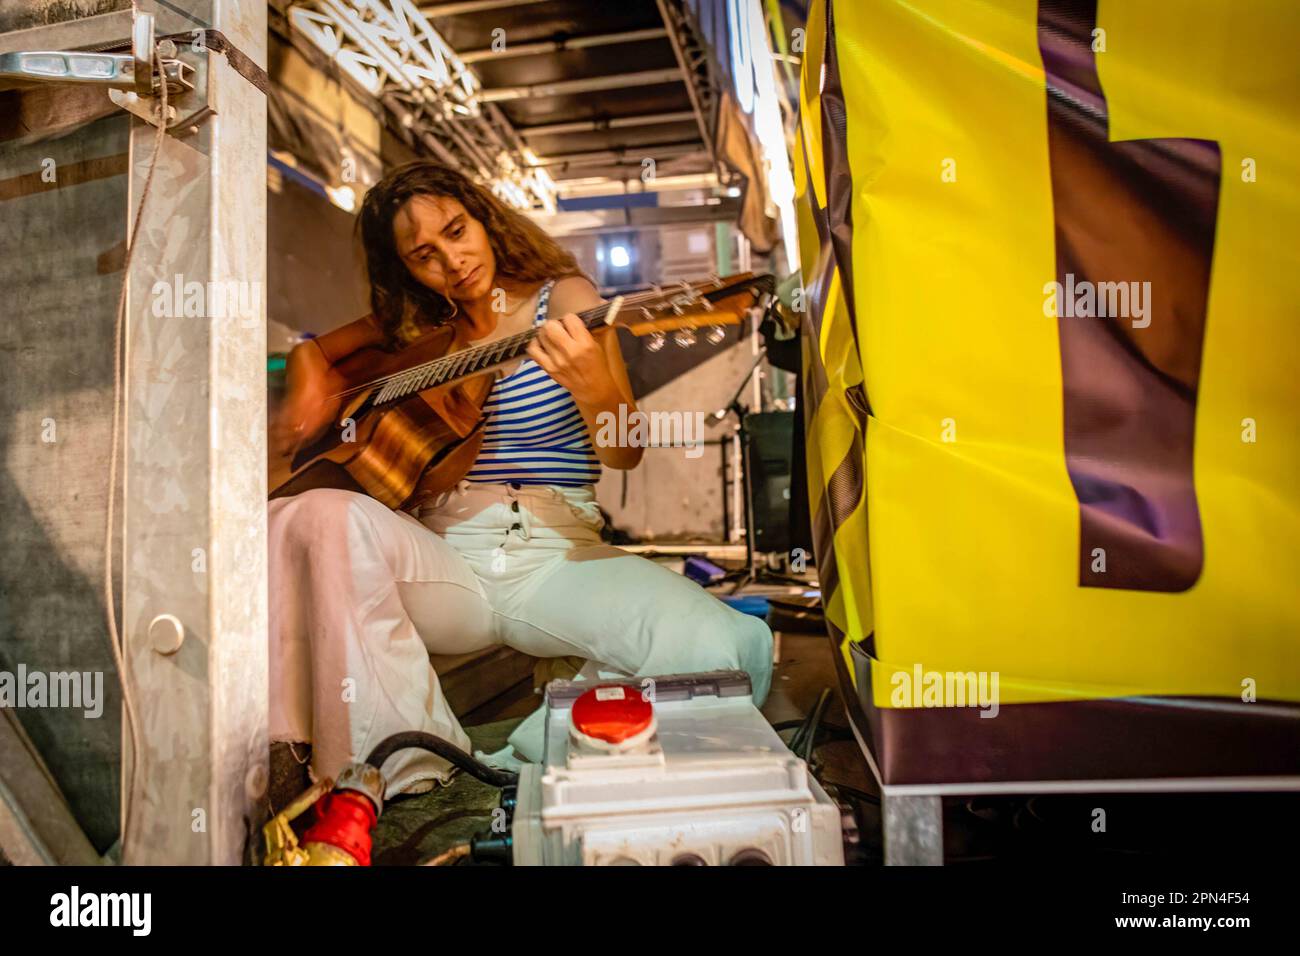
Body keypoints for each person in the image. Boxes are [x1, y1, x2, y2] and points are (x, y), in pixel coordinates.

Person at [268, 161, 774, 797]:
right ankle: (399, 771)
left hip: (553, 555)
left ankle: (519, 757)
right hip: (443, 557)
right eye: (423, 255)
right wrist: (307, 375)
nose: (451, 261)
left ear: (483, 216)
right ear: (405, 269)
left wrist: (594, 391)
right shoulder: (419, 332)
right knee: (306, 514)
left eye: (457, 231)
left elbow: (625, 453)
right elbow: (313, 350)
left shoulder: (563, 300)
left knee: (725, 645)